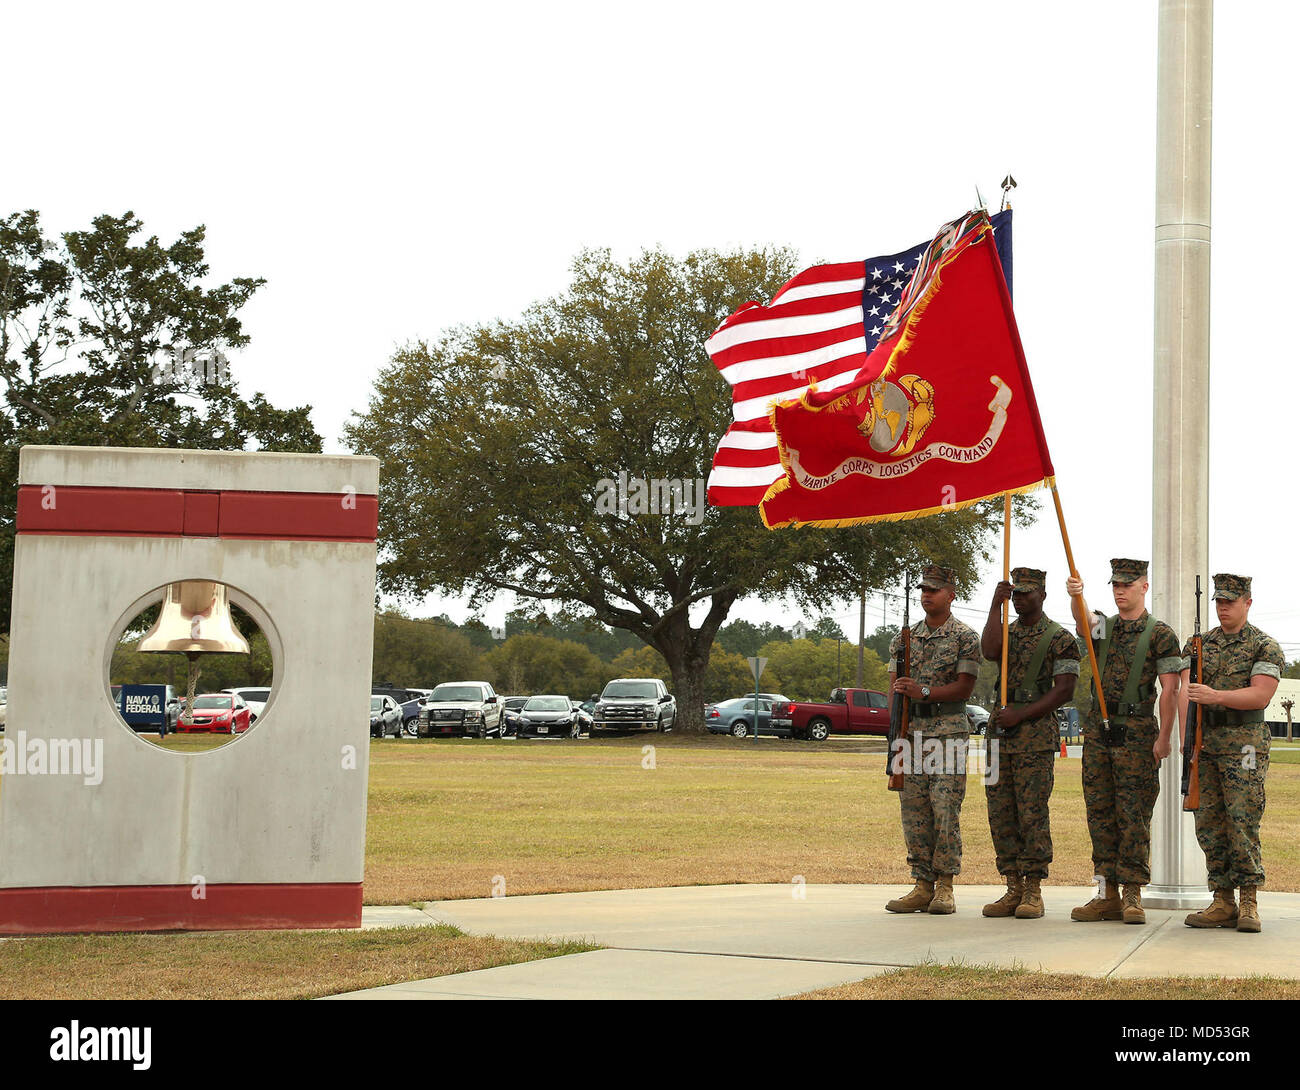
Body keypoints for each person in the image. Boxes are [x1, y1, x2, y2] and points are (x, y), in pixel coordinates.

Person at [1066, 559, 1183, 924]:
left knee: (1133, 815)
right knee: (1099, 813)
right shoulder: (1105, 627)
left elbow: (1170, 689)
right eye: (1115, 584)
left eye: (1127, 585)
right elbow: (1084, 624)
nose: (1120, 590)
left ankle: (1132, 894)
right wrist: (1077, 596)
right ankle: (1106, 893)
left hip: (1136, 732)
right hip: (1100, 733)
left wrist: (1164, 737)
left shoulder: (1160, 633)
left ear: (1143, 587)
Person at [1180, 574, 1283, 933]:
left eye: (1230, 601)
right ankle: (1222, 899)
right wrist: (1185, 739)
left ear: (1247, 603)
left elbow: (1260, 696)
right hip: (1205, 744)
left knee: (1242, 819)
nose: (1223, 608)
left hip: (1245, 743)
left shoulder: (1263, 646)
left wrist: (1216, 697)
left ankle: (1248, 900)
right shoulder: (1199, 644)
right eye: (1219, 602)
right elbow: (1185, 691)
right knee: (1209, 823)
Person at [979, 567, 1079, 919]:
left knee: (1031, 813)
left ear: (1042, 595)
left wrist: (1021, 715)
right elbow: (989, 651)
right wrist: (995, 605)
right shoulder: (1006, 633)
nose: (1020, 598)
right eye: (1015, 593)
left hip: (1033, 736)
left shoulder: (1060, 638)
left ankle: (1033, 888)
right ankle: (1012, 886)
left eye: (1026, 593)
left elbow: (1065, 689)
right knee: (1000, 812)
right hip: (999, 735)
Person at [885, 564, 979, 915]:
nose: (927, 595)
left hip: (948, 734)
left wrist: (923, 691)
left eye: (934, 589)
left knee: (944, 810)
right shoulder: (903, 638)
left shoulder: (964, 637)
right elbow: (894, 687)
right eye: (923, 589)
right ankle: (921, 883)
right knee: (914, 812)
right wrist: (895, 734)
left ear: (950, 594)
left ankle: (945, 886)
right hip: (909, 735)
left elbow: (964, 687)